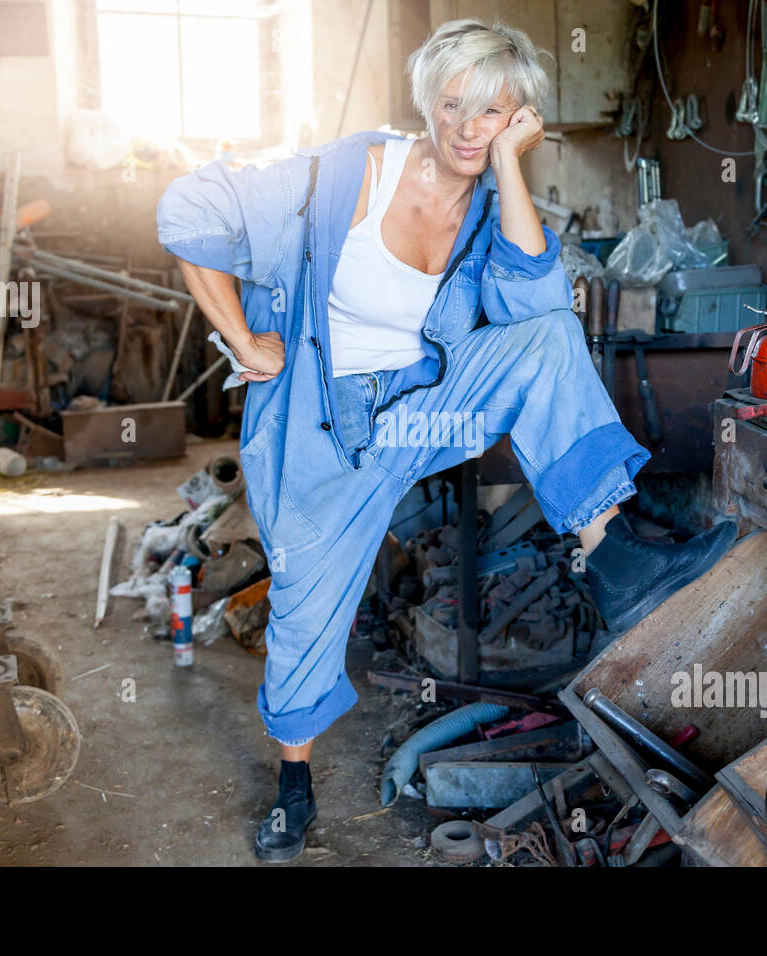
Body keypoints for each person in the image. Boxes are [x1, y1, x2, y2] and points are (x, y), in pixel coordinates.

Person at [157, 18, 737, 863]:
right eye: (456, 103)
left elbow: (536, 310)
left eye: (496, 112)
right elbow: (186, 207)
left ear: (520, 119)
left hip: (427, 409)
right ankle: (294, 785)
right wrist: (245, 343)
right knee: (305, 615)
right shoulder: (341, 175)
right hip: (323, 429)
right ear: (428, 102)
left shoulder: (492, 197)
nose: (470, 125)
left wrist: (510, 169)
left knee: (544, 340)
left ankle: (614, 558)